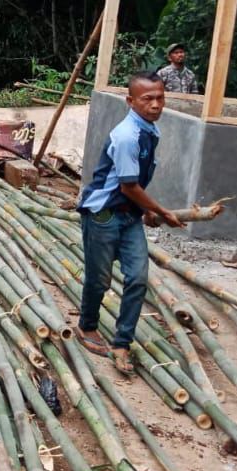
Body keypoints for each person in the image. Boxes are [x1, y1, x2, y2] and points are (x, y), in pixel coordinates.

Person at [74, 72, 188, 376]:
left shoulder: (149, 130)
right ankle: (87, 327)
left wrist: (145, 210)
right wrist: (162, 212)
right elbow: (127, 186)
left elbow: (135, 184)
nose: (155, 104)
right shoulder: (127, 135)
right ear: (130, 101)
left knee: (137, 278)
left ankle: (122, 342)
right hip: (104, 214)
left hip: (129, 215)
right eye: (147, 99)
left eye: (160, 98)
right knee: (99, 279)